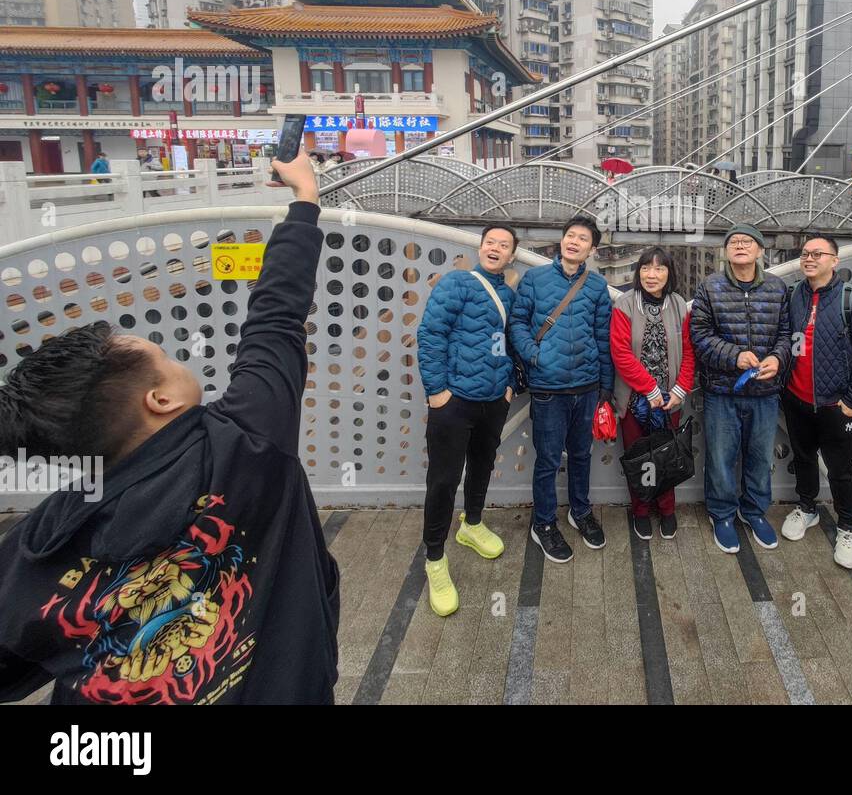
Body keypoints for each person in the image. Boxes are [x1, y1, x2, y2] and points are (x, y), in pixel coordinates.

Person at [0, 151, 340, 704]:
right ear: (160, 399)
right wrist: (305, 198)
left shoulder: (39, 545)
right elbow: (275, 316)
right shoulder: (246, 442)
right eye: (163, 354)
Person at [416, 225, 519, 617]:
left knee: (482, 467)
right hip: (454, 401)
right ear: (480, 248)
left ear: (511, 257)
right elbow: (431, 334)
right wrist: (437, 391)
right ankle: (435, 560)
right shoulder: (457, 283)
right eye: (490, 242)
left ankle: (471, 524)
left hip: (493, 400)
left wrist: (508, 385)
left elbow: (510, 343)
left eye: (503, 245)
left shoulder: (508, 295)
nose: (495, 248)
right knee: (442, 480)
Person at [509, 216, 613, 563]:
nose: (574, 242)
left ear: (591, 249)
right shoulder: (535, 279)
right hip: (548, 388)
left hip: (586, 387)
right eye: (570, 235)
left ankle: (580, 511)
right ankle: (543, 524)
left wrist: (606, 387)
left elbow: (603, 337)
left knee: (582, 455)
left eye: (583, 239)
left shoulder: (597, 286)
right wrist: (535, 356)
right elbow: (517, 324)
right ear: (561, 240)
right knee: (549, 459)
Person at [779, 233, 852, 569]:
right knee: (804, 457)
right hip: (796, 397)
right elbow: (784, 340)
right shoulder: (793, 295)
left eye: (818, 253)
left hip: (836, 404)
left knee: (841, 468)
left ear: (835, 261)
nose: (809, 258)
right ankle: (806, 507)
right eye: (805, 253)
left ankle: (847, 526)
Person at [691, 223, 791, 554]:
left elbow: (786, 335)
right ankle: (721, 514)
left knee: (760, 457)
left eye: (748, 241)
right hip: (722, 390)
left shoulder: (777, 288)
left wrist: (777, 358)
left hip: (765, 392)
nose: (741, 246)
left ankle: (754, 512)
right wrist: (735, 357)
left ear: (761, 251)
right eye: (734, 242)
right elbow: (700, 336)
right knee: (720, 457)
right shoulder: (710, 287)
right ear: (726, 251)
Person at [610, 246, 695, 541]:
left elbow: (688, 353)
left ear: (669, 273)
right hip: (635, 401)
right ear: (638, 272)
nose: (652, 274)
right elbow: (621, 353)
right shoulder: (624, 304)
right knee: (639, 458)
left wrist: (680, 389)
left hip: (670, 399)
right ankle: (641, 510)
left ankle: (667, 509)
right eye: (646, 268)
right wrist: (649, 389)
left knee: (668, 455)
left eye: (659, 268)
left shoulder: (678, 304)